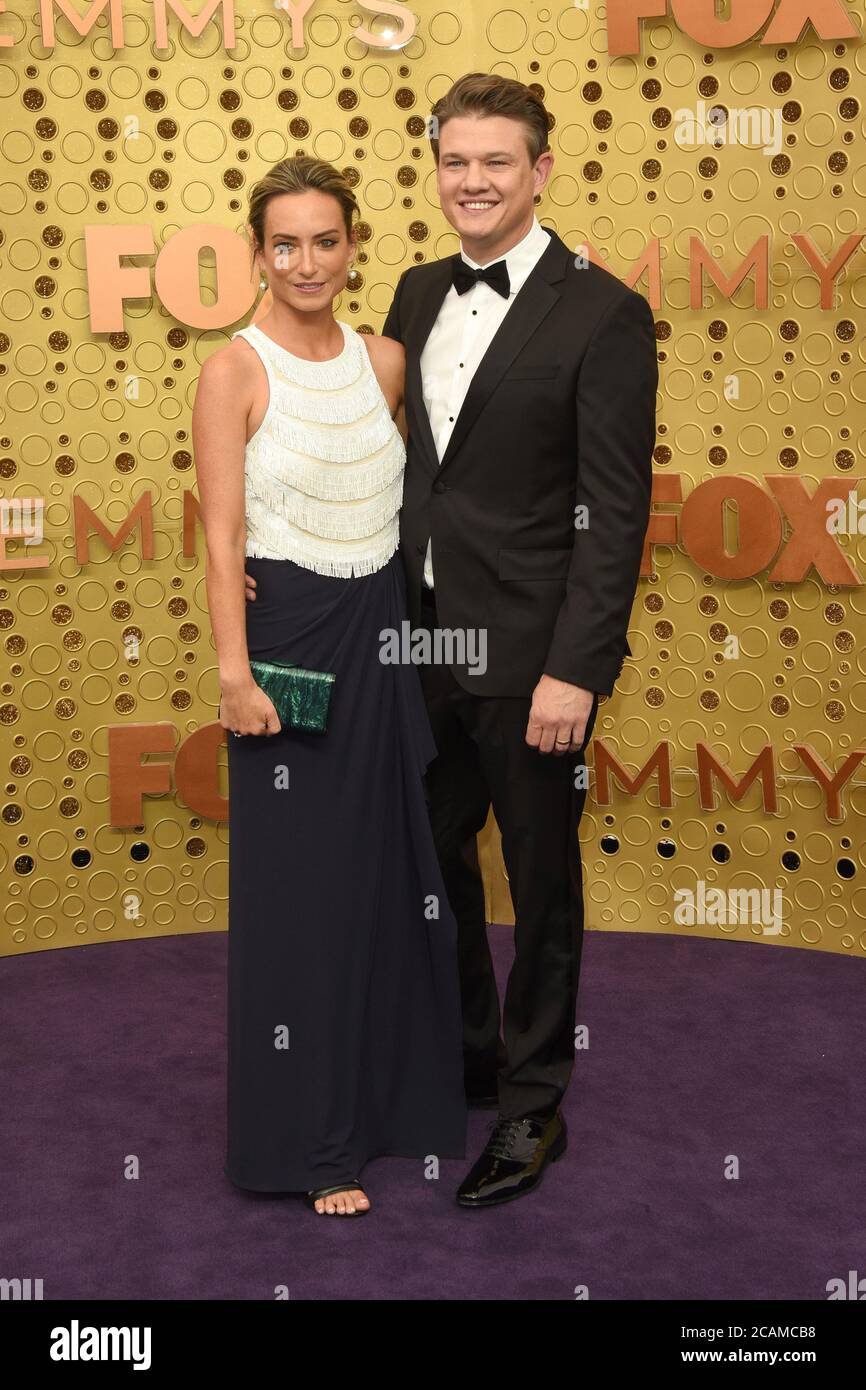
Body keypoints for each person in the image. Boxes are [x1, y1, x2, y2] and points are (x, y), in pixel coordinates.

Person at [380, 73, 657, 1207]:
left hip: (533, 656)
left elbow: (616, 507)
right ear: (436, 167)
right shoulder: (408, 291)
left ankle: (535, 1107)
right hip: (419, 643)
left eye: (498, 162)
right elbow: (401, 466)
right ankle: (471, 1053)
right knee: (428, 865)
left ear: (541, 170)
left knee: (539, 881)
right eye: (456, 161)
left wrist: (574, 671)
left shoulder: (604, 310)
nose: (474, 182)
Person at [193, 156, 466, 1218]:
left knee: (387, 878)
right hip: (289, 647)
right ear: (257, 252)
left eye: (326, 240)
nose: (307, 261)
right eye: (285, 243)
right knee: (299, 899)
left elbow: (401, 511)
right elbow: (221, 539)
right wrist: (232, 670)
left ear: (352, 247)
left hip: (378, 636)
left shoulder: (385, 360)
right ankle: (315, 1144)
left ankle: (388, 1104)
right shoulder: (234, 369)